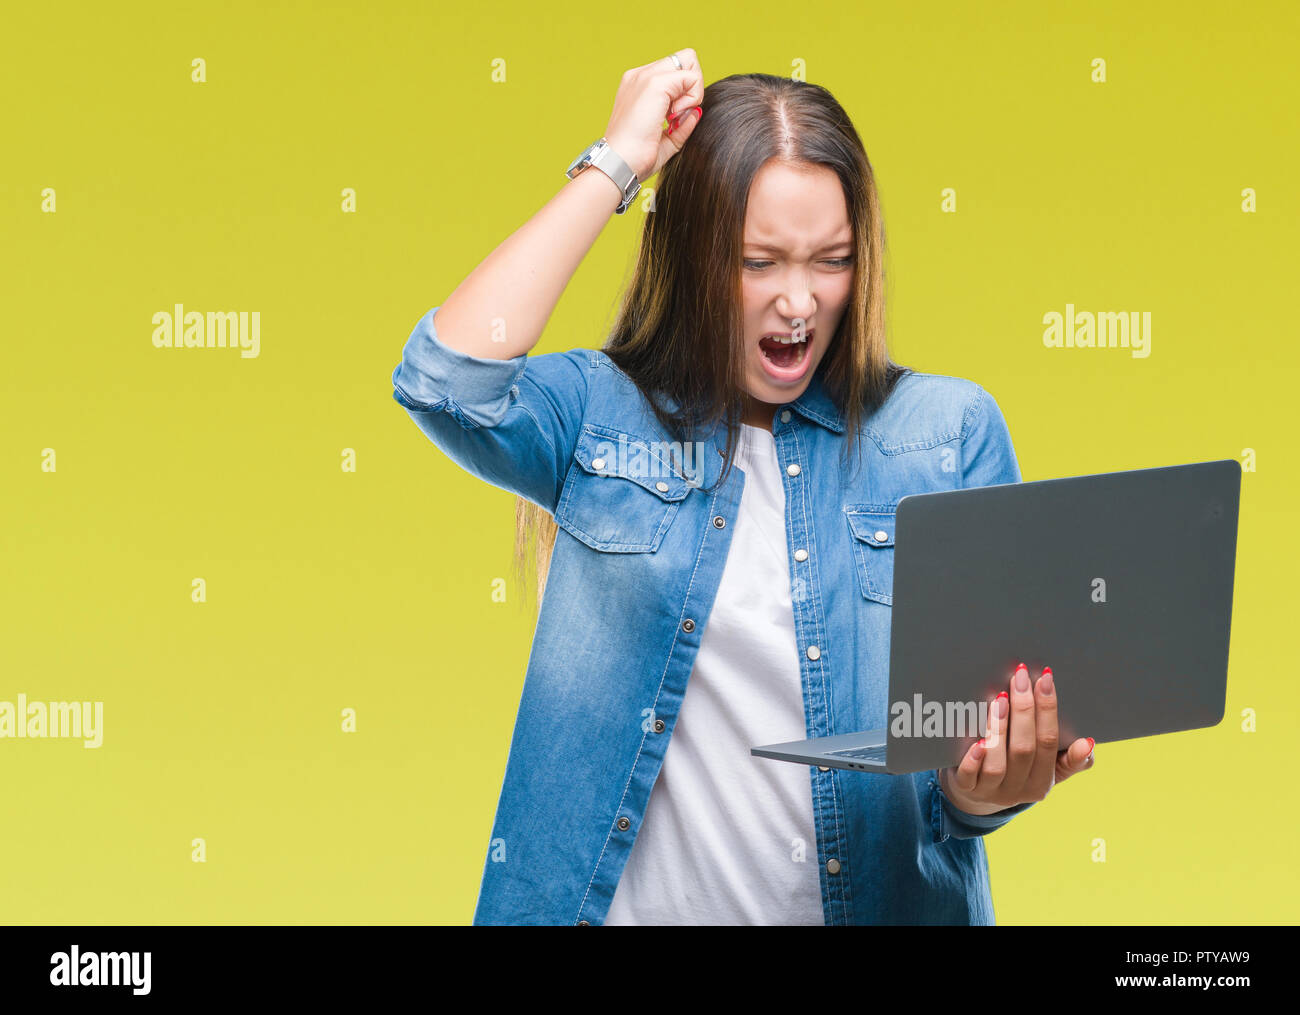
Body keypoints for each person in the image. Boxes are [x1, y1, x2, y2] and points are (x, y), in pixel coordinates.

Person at [390, 51, 1095, 926]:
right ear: (689, 259)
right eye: (759, 262)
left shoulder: (946, 438)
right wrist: (617, 162)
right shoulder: (603, 418)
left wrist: (987, 789)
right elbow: (444, 379)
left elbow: (965, 780)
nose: (799, 303)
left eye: (831, 260)